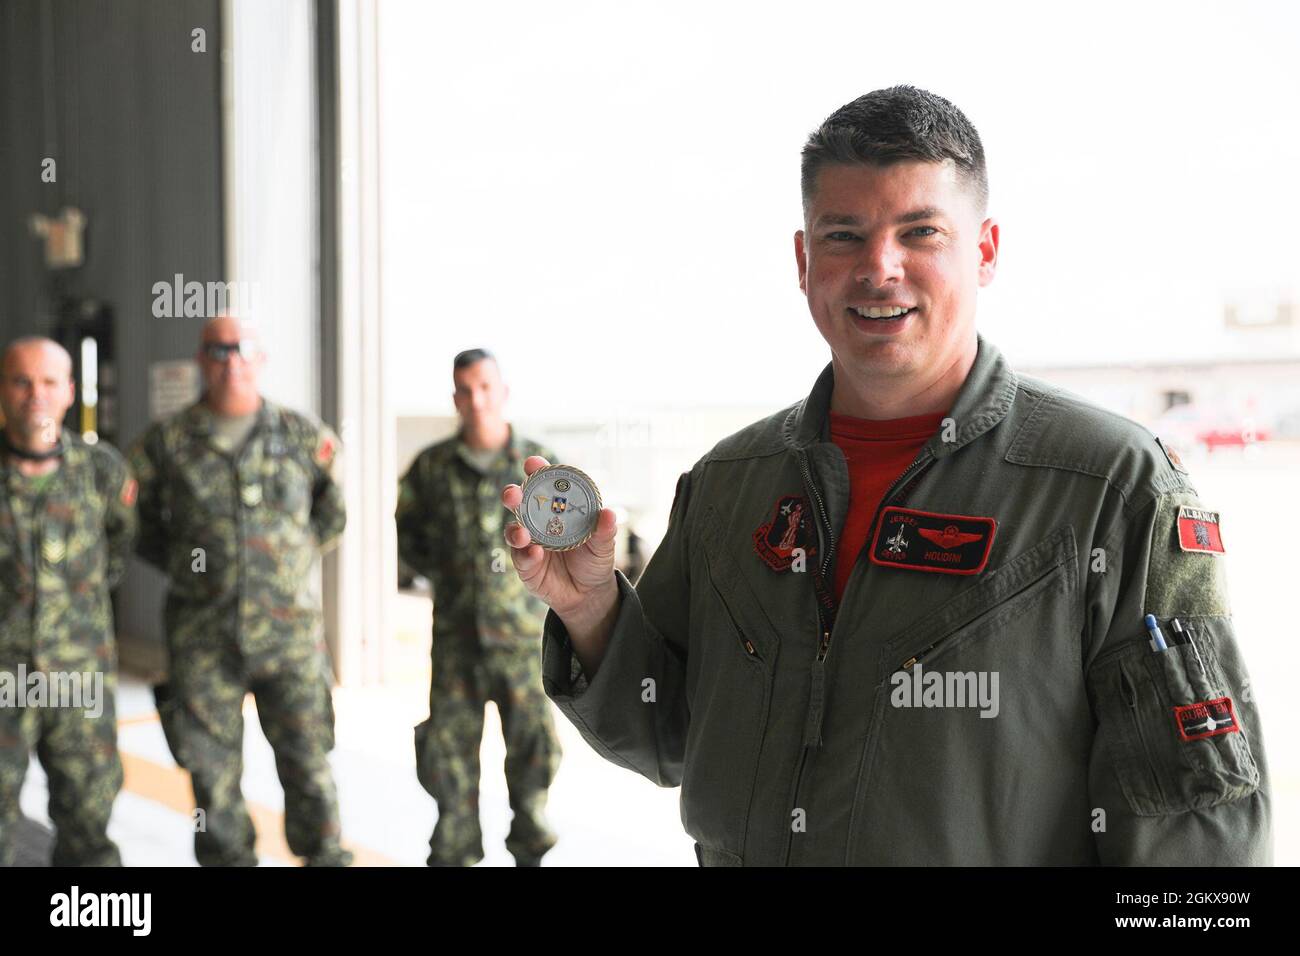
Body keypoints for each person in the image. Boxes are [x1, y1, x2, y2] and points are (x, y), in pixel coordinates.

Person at [502, 86, 1272, 865]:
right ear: (805, 262)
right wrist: (593, 609)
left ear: (985, 251)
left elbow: (1195, 844)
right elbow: (668, 735)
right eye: (844, 235)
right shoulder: (731, 486)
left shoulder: (1109, 491)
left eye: (920, 232)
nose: (879, 267)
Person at [128, 316, 352, 866]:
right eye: (217, 350)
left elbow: (330, 515)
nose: (230, 360)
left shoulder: (304, 436)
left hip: (290, 640)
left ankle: (323, 857)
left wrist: (282, 563)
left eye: (241, 349)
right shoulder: (166, 443)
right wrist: (194, 568)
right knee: (212, 777)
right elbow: (136, 524)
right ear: (202, 360)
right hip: (202, 639)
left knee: (309, 766)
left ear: (260, 358)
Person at [397, 349, 562, 867]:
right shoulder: (430, 468)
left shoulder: (539, 465)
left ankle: (530, 855)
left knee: (533, 763)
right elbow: (411, 539)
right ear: (455, 397)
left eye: (485, 387)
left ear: (503, 391)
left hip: (524, 645)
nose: (476, 399)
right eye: (465, 390)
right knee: (449, 766)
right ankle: (455, 855)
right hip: (455, 648)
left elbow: (565, 542)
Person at [0, 336, 136, 866]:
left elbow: (120, 546)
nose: (36, 394)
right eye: (21, 380)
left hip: (79, 675)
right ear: (4, 389)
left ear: (70, 392)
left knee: (87, 816)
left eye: (49, 382)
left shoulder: (101, 471)